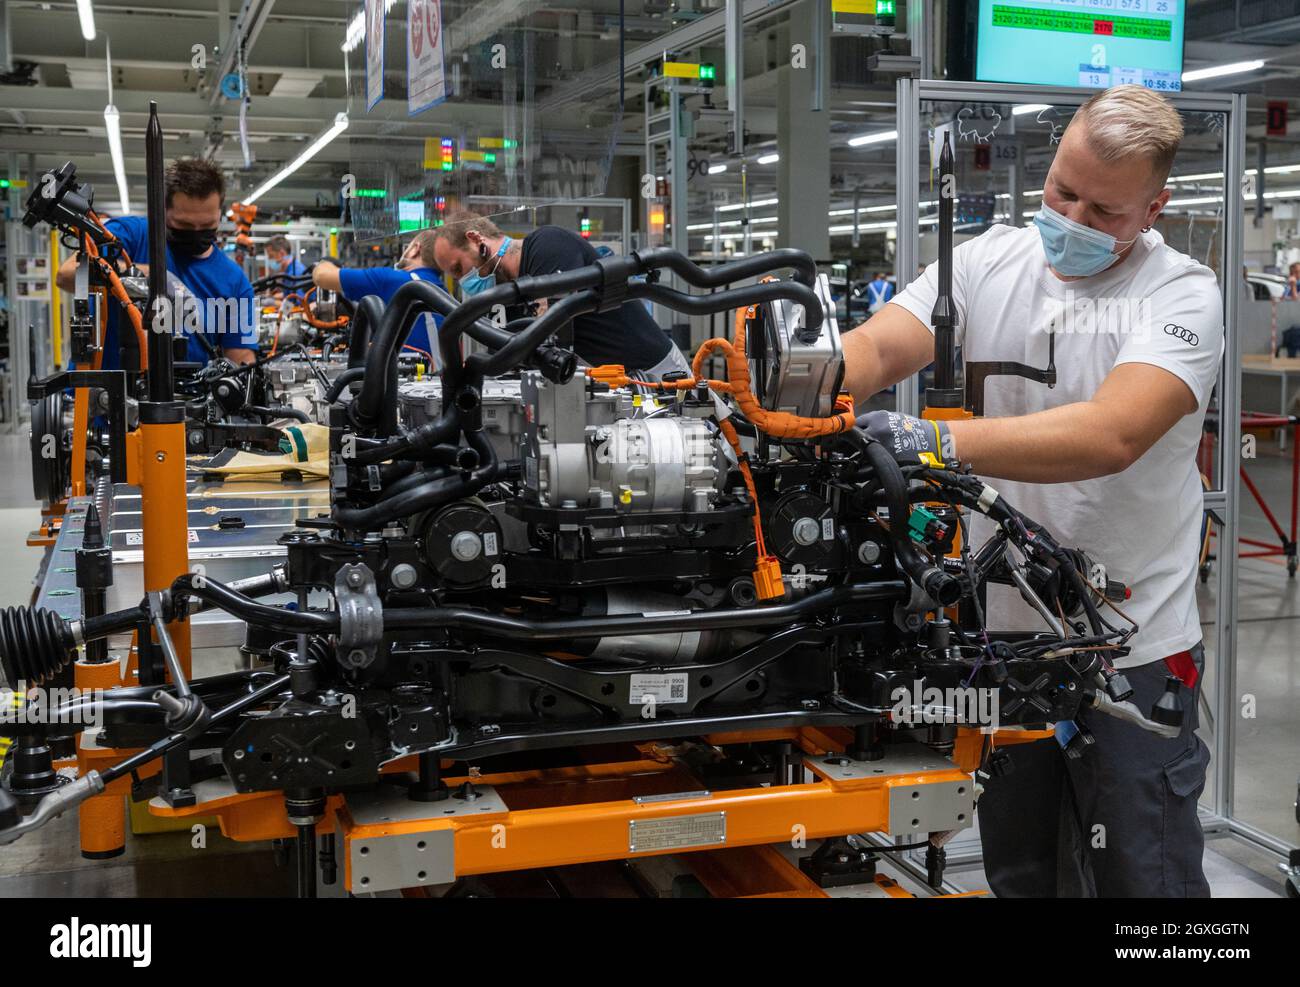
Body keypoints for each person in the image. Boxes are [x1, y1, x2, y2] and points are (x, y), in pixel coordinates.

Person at [841, 85, 1222, 898]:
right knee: (1023, 874)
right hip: (1004, 644)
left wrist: (932, 440)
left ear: (1154, 208)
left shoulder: (1182, 293)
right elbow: (880, 345)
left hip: (1133, 645)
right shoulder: (984, 261)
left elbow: (1111, 434)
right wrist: (807, 384)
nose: (1074, 221)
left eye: (1106, 212)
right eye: (1062, 191)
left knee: (1145, 878)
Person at [428, 212, 691, 379]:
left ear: (476, 239)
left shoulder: (548, 245)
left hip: (657, 371)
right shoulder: (502, 298)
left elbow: (553, 333)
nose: (464, 280)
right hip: (610, 383)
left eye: (459, 269)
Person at [55, 157, 257, 367]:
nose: (197, 232)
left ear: (219, 213)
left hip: (187, 397)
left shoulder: (235, 282)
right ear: (162, 210)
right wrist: (149, 276)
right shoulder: (132, 236)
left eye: (207, 225)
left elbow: (240, 358)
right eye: (184, 224)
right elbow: (67, 274)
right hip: (100, 393)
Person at [312, 229, 442, 361]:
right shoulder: (442, 291)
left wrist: (325, 261)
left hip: (398, 378)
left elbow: (321, 276)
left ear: (415, 249)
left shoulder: (392, 280)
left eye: (408, 246)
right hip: (435, 376)